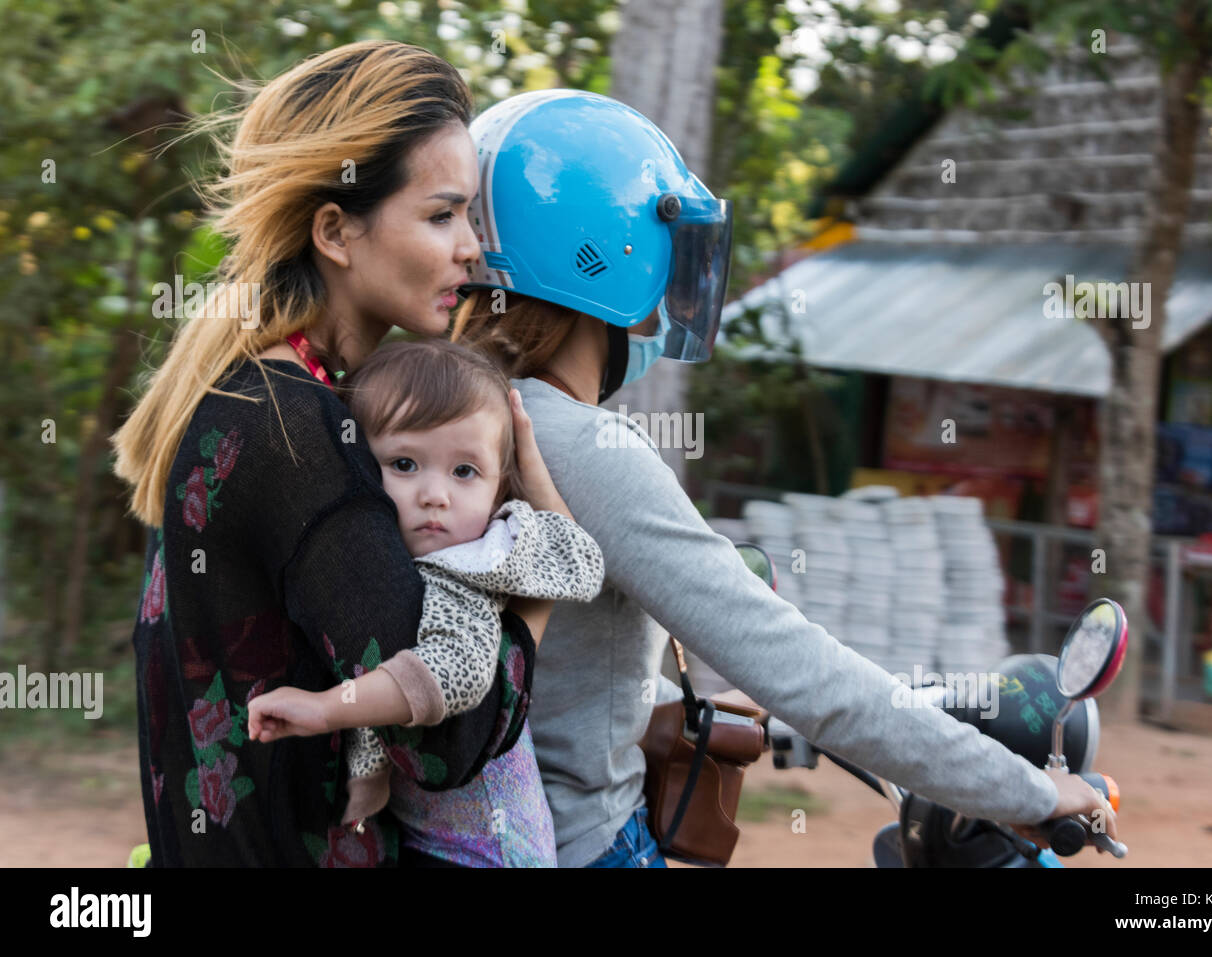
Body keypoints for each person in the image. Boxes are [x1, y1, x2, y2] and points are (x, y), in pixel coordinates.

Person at [452, 90, 1120, 867]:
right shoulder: (584, 444)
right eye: (668, 241)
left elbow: (542, 669)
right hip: (585, 845)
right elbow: (804, 670)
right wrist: (1028, 793)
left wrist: (670, 698)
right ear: (610, 247)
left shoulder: (452, 420)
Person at [111, 41, 567, 867]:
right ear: (336, 231)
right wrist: (540, 581)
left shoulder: (248, 396)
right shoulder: (297, 433)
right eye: (442, 215)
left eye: (469, 219)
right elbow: (445, 742)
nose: (473, 248)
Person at [245, 339, 604, 867]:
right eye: (405, 463)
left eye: (465, 472)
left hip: (484, 854)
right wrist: (369, 777)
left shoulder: (468, 567)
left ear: (499, 488)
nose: (435, 494)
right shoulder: (384, 564)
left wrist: (326, 709)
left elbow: (454, 671)